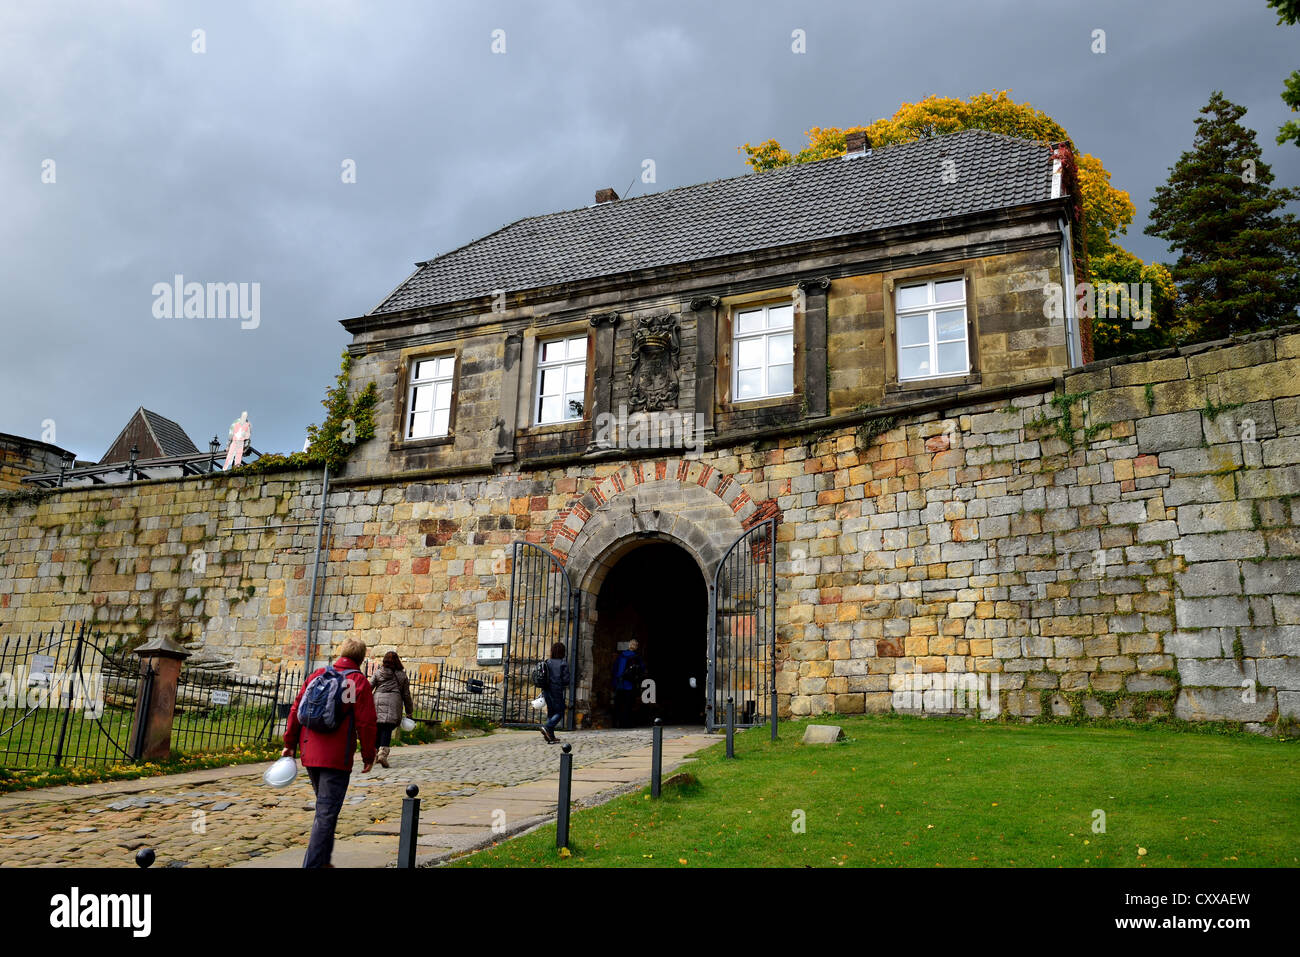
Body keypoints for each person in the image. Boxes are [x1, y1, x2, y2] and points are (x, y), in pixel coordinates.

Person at [282, 636, 377, 868]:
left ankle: (322, 861)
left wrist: (290, 743)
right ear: (361, 658)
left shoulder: (317, 675)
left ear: (340, 652)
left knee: (326, 810)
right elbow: (365, 723)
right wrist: (368, 755)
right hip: (336, 757)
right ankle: (313, 865)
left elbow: (296, 709)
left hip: (310, 753)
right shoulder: (356, 683)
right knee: (326, 813)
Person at [370, 651, 414, 768]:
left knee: (378, 727)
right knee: (387, 728)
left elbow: (369, 687)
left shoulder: (378, 672)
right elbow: (406, 695)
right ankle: (382, 755)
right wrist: (409, 711)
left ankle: (374, 753)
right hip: (394, 703)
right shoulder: (402, 675)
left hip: (377, 701)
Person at [540, 641, 569, 744]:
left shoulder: (547, 662)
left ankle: (551, 736)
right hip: (556, 690)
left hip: (546, 690)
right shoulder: (563, 663)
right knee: (560, 712)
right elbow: (566, 680)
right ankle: (547, 727)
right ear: (562, 652)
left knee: (551, 712)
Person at [612, 639, 646, 728]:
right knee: (628, 704)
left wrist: (615, 683)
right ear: (636, 647)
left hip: (620, 684)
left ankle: (617, 723)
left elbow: (615, 670)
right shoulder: (636, 657)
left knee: (619, 704)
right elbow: (642, 669)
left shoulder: (621, 656)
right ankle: (627, 723)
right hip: (630, 684)